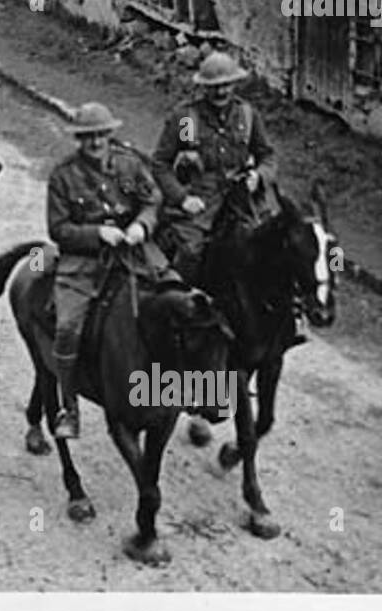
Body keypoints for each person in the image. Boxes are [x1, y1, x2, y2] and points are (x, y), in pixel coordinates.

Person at [47, 103, 168, 440]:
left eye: (101, 135)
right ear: (78, 140)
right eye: (88, 137)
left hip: (136, 252)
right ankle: (68, 407)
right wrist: (97, 234)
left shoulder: (129, 164)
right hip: (84, 263)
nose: (96, 142)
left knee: (181, 301)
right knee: (68, 327)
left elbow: (153, 198)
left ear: (110, 134)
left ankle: (190, 389)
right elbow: (57, 229)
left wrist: (143, 225)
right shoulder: (63, 176)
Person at [151, 51, 279, 283]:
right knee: (191, 253)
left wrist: (259, 177)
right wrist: (182, 198)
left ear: (234, 84)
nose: (221, 92)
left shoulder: (247, 115)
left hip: (243, 200)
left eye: (226, 85)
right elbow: (161, 163)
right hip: (201, 202)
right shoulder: (187, 119)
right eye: (213, 86)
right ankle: (186, 304)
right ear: (203, 87)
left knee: (273, 246)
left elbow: (267, 155)